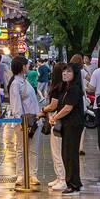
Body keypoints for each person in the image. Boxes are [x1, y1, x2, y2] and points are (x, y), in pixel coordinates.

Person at [49, 61, 84, 195]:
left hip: (73, 124)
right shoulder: (68, 87)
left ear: (75, 74)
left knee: (70, 154)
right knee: (68, 153)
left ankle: (73, 185)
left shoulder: (74, 88)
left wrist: (55, 117)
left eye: (68, 71)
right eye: (64, 71)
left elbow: (68, 108)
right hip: (69, 125)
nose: (65, 73)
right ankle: (74, 182)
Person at [8, 55, 41, 178]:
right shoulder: (15, 83)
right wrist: (21, 121)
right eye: (27, 65)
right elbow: (16, 104)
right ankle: (21, 175)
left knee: (33, 149)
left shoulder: (25, 81)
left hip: (34, 120)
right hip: (23, 121)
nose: (28, 67)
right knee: (21, 149)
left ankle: (33, 175)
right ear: (23, 67)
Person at [40, 62, 68, 191]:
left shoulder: (57, 88)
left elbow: (53, 105)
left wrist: (43, 109)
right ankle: (59, 177)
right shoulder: (66, 86)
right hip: (62, 121)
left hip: (56, 120)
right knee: (59, 150)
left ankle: (62, 178)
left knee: (57, 150)